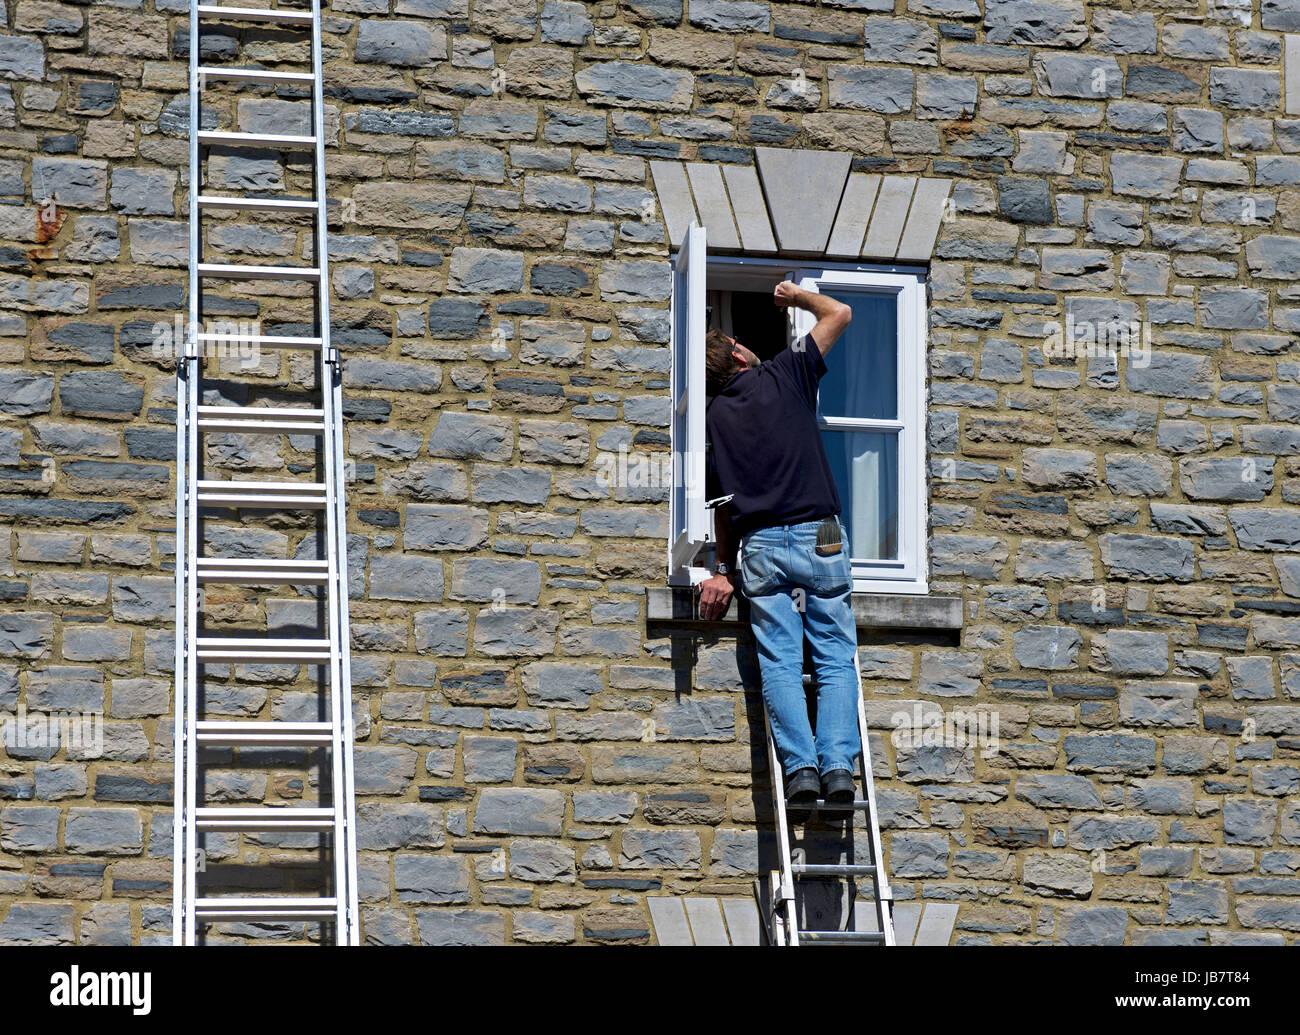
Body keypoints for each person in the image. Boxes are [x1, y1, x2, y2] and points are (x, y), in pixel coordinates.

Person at [695, 281, 860, 810]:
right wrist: (795, 299)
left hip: (761, 543)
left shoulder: (712, 419)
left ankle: (801, 771)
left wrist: (720, 569)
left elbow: (721, 507)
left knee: (782, 663)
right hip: (823, 532)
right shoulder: (786, 372)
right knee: (834, 658)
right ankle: (837, 768)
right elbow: (841, 313)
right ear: (741, 354)